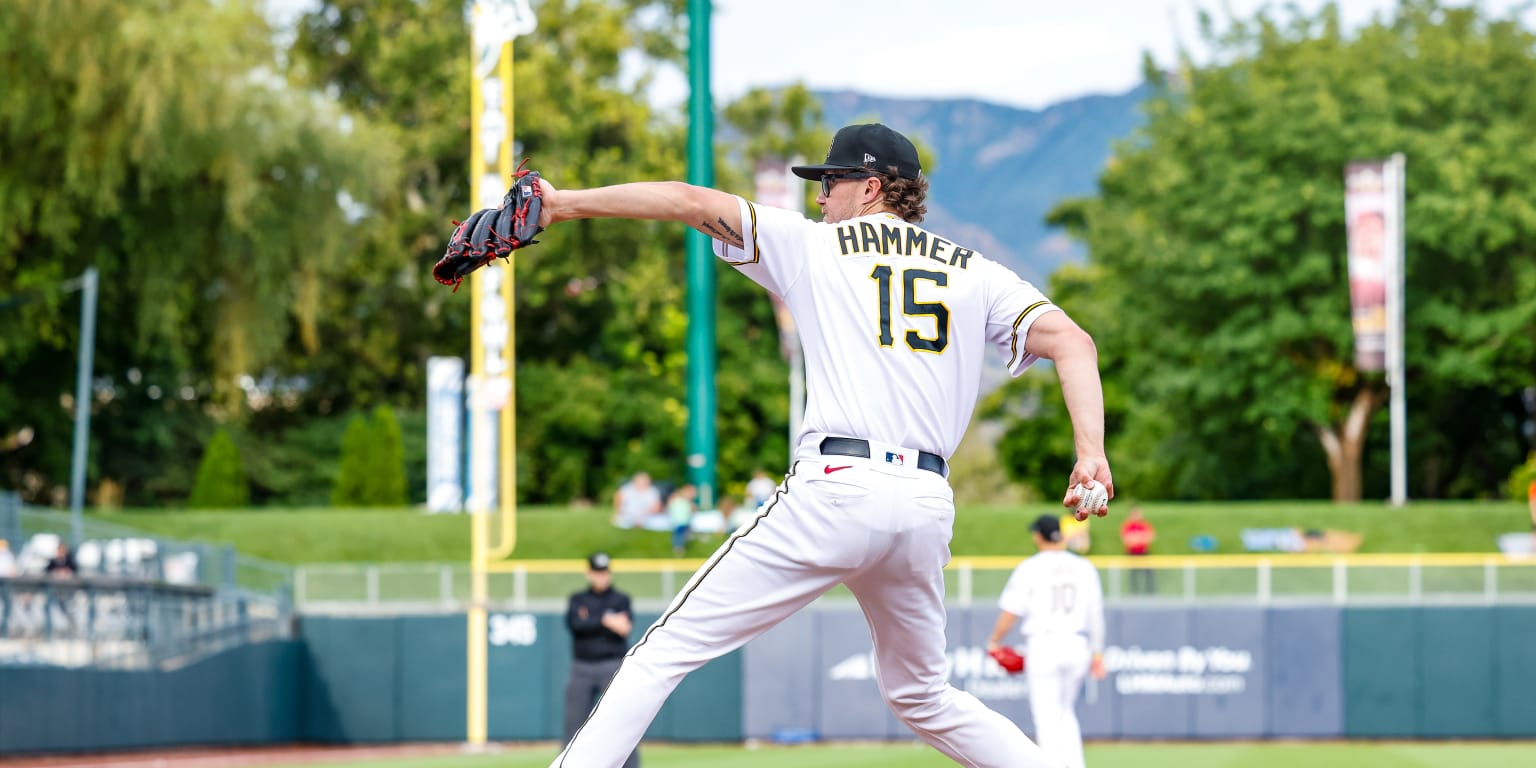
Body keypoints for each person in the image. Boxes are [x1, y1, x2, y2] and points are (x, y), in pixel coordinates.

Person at [539, 122, 1112, 768]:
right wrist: (1090, 451)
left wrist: (563, 203)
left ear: (870, 187)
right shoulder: (975, 271)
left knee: (664, 651)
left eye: (831, 182)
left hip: (837, 486)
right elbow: (1074, 342)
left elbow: (689, 200)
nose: (820, 197)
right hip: (925, 504)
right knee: (922, 694)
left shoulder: (816, 246)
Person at [987, 515, 1107, 768]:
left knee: (1046, 717)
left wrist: (995, 641)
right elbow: (1096, 613)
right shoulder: (1084, 567)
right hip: (1077, 644)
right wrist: (1097, 654)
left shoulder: (1030, 567)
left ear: (1038, 536)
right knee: (1066, 714)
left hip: (1044, 644)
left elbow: (1011, 610)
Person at [563, 552, 638, 768]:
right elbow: (576, 625)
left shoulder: (620, 599)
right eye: (597, 572)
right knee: (575, 724)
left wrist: (592, 619)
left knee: (621, 722)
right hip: (582, 667)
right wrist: (606, 619)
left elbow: (624, 628)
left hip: (611, 667)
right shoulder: (578, 599)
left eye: (604, 572)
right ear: (589, 573)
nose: (601, 577)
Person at [1120, 506, 1157, 594]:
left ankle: (1150, 593)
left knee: (1149, 574)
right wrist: (1140, 538)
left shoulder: (1144, 525)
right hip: (1132, 554)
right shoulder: (1128, 525)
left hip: (1144, 553)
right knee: (1133, 575)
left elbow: (1151, 537)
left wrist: (1136, 539)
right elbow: (1127, 539)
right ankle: (1134, 593)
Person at [666, 483, 696, 557]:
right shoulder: (678, 500)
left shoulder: (686, 502)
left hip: (684, 521)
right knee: (679, 535)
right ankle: (678, 548)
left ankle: (680, 546)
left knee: (682, 534)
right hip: (679, 522)